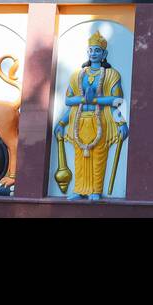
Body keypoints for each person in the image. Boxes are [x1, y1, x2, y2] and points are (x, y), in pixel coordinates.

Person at [54, 31, 127, 200]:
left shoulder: (111, 74)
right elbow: (68, 101)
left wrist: (121, 123)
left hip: (100, 120)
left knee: (98, 157)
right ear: (88, 53)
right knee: (80, 158)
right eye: (91, 50)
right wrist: (62, 122)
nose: (93, 53)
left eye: (97, 50)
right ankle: (79, 190)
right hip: (79, 121)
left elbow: (117, 100)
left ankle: (95, 191)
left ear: (104, 54)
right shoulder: (77, 75)